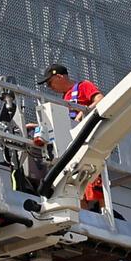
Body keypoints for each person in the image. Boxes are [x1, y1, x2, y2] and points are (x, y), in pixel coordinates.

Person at [45, 64, 108, 212]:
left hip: (88, 141)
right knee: (78, 186)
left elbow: (100, 99)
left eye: (50, 82)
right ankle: (85, 217)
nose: (49, 87)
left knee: (94, 184)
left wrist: (84, 113)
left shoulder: (83, 86)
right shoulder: (65, 98)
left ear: (59, 76)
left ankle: (105, 212)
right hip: (73, 145)